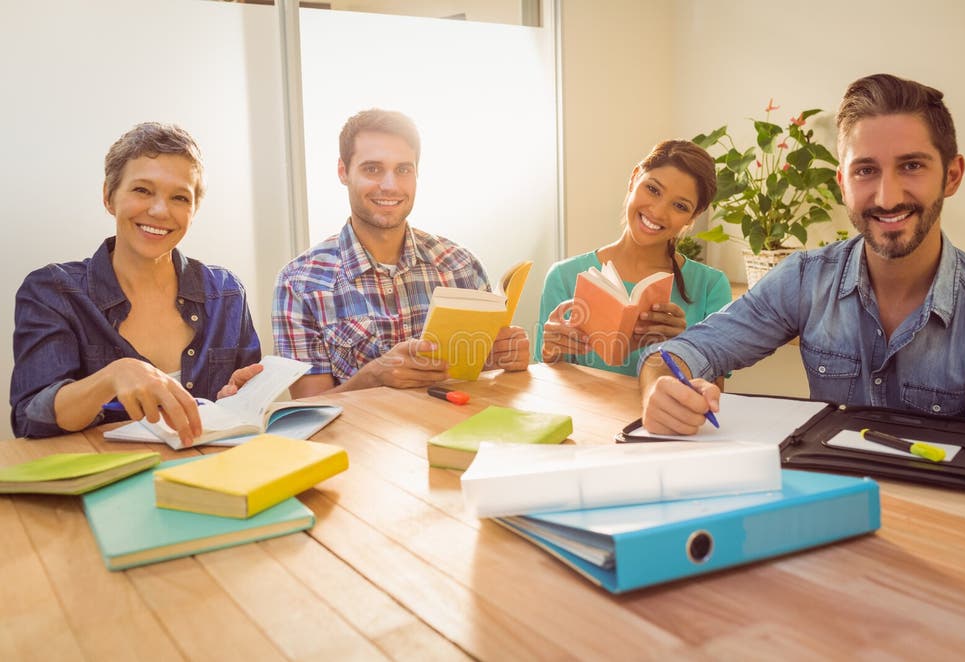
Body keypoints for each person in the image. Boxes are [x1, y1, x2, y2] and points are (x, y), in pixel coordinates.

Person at [640, 73, 965, 432]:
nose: (888, 198)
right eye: (866, 170)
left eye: (911, 166)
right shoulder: (805, 278)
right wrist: (660, 386)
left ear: (951, 176)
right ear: (842, 183)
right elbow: (684, 351)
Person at [10, 123, 263, 445]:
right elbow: (31, 417)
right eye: (142, 190)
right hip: (105, 482)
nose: (159, 210)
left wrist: (239, 398)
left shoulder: (226, 292)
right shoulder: (52, 291)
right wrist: (113, 377)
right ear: (109, 197)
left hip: (211, 478)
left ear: (194, 209)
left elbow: (239, 409)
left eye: (180, 197)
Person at [272, 108, 529, 396]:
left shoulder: (461, 266)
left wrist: (505, 359)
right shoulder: (300, 283)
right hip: (361, 441)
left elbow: (486, 385)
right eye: (372, 169)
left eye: (403, 170)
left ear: (417, 173)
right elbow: (308, 412)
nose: (390, 185)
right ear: (343, 172)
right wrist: (374, 376)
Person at [536, 140, 732, 376]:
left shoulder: (710, 287)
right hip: (584, 413)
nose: (658, 212)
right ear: (634, 178)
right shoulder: (563, 277)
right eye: (653, 189)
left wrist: (686, 348)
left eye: (679, 206)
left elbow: (716, 391)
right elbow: (547, 386)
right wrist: (551, 352)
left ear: (693, 217)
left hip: (663, 414)